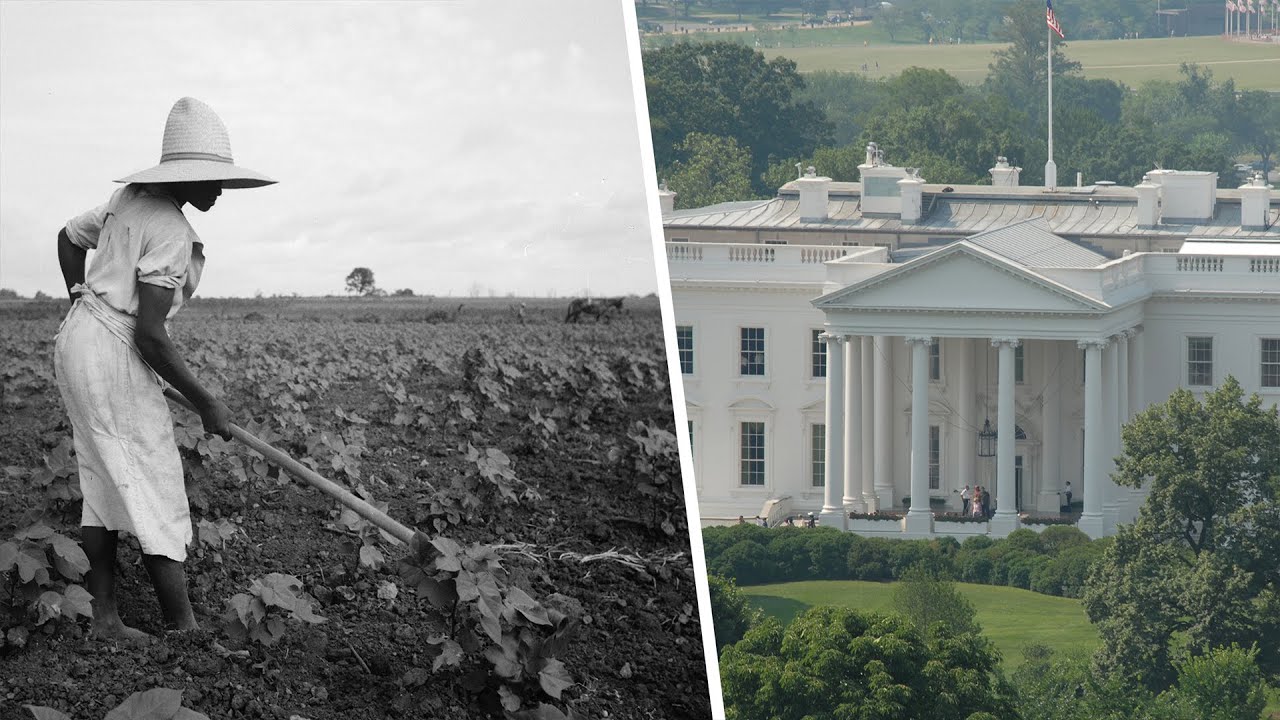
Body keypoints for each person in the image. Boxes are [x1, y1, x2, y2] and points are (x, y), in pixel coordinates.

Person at [55, 97, 275, 639]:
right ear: (184, 176)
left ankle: (106, 618)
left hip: (80, 339)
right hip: (110, 351)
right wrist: (207, 402)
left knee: (100, 480)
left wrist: (80, 301)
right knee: (155, 482)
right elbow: (151, 336)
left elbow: (67, 237)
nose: (218, 189)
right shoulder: (172, 230)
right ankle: (184, 627)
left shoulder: (126, 201)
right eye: (210, 179)